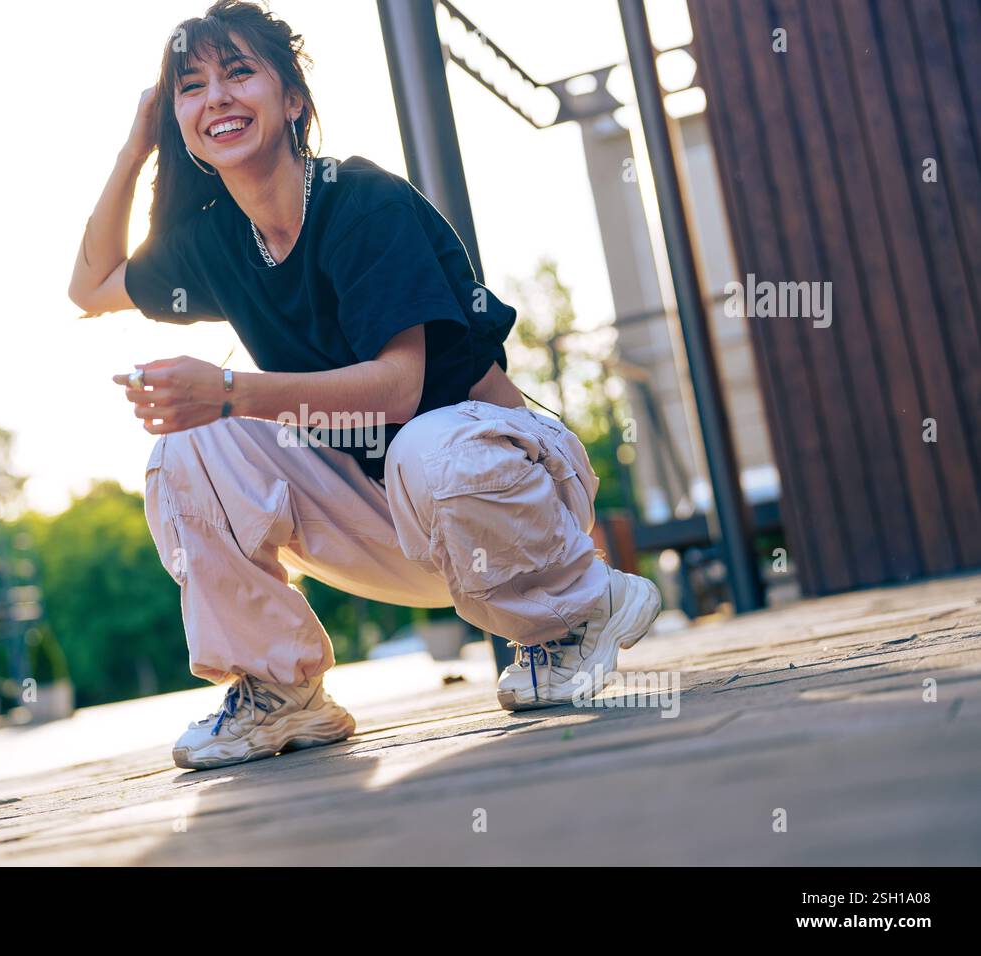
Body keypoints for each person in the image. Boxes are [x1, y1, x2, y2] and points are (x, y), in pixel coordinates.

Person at [68, 0, 661, 771]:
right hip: (390, 517)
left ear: (293, 102)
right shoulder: (218, 238)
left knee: (422, 443)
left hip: (509, 491)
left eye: (239, 72)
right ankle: (279, 688)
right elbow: (92, 286)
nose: (215, 95)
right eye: (193, 84)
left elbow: (396, 393)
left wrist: (228, 391)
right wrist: (133, 148)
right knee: (193, 445)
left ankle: (583, 609)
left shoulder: (360, 201)